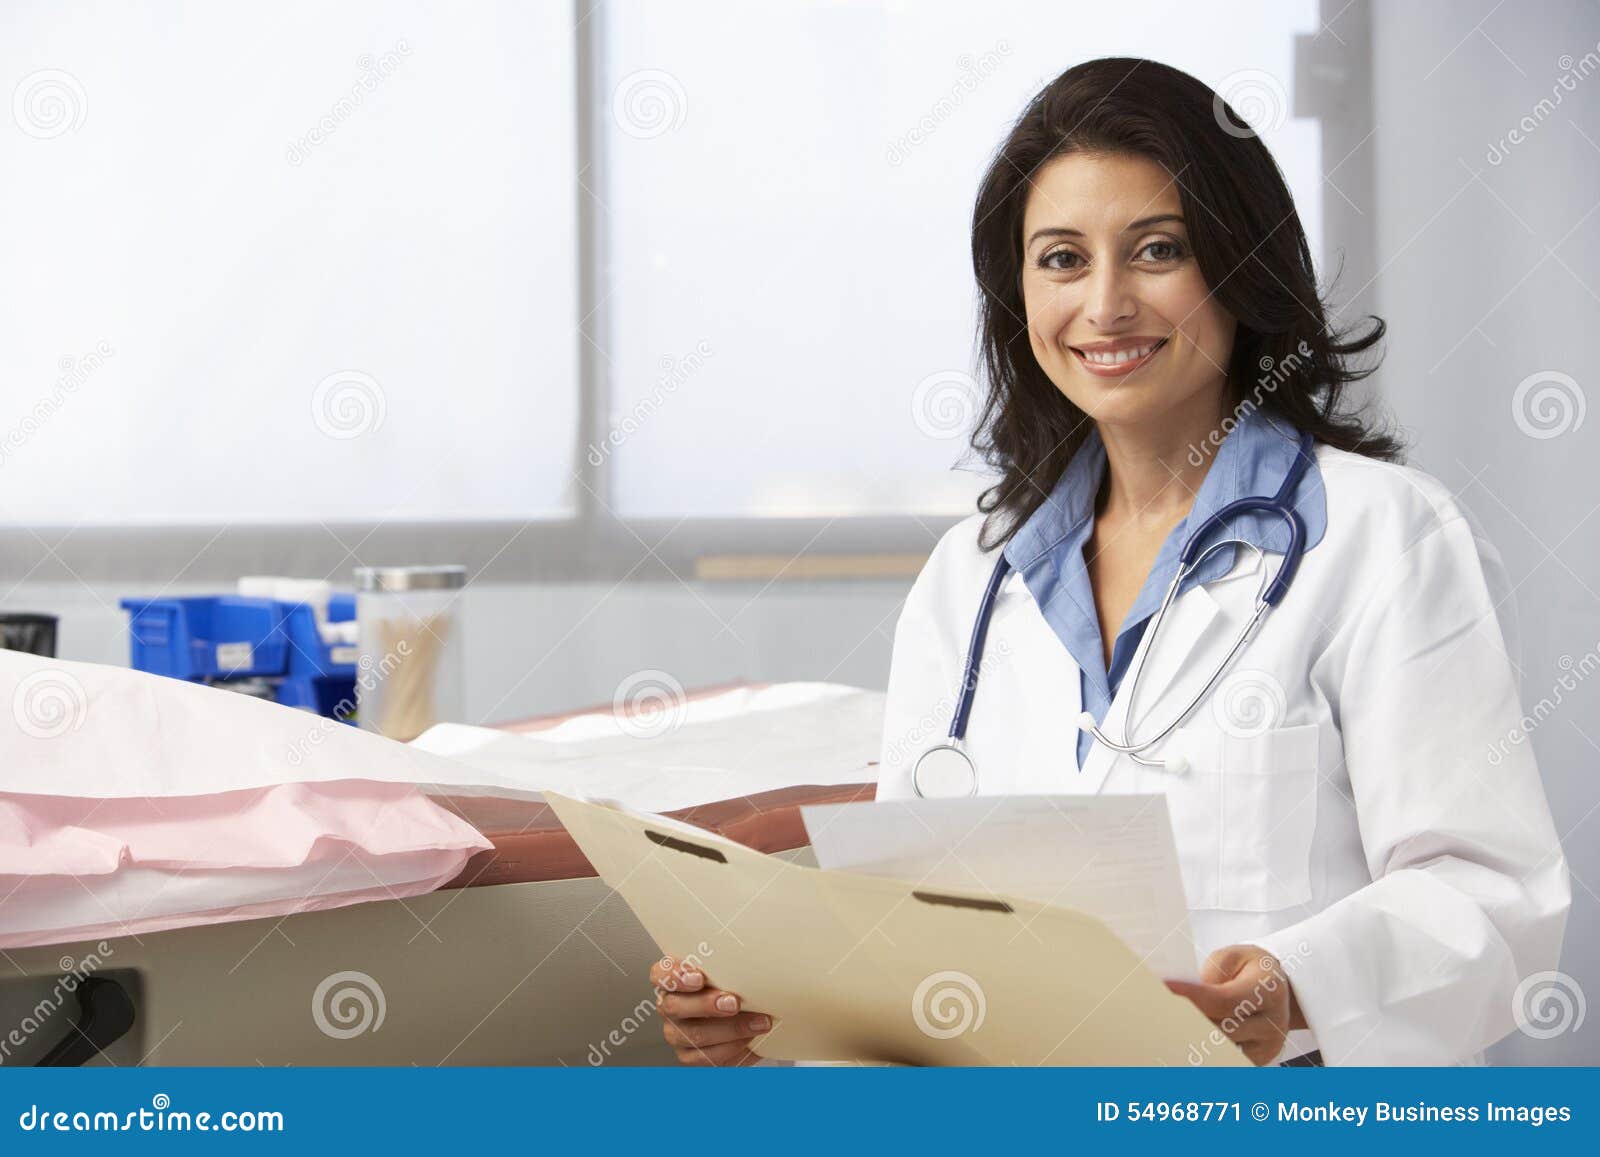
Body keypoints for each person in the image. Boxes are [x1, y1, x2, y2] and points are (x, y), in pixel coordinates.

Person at [651, 56, 1570, 1067]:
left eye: (1156, 249)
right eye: (1059, 258)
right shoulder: (974, 575)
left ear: (1236, 266)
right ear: (1017, 293)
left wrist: (1298, 983)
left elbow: (1491, 893)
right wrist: (766, 1023)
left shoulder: (1383, 535)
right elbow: (906, 938)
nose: (1104, 304)